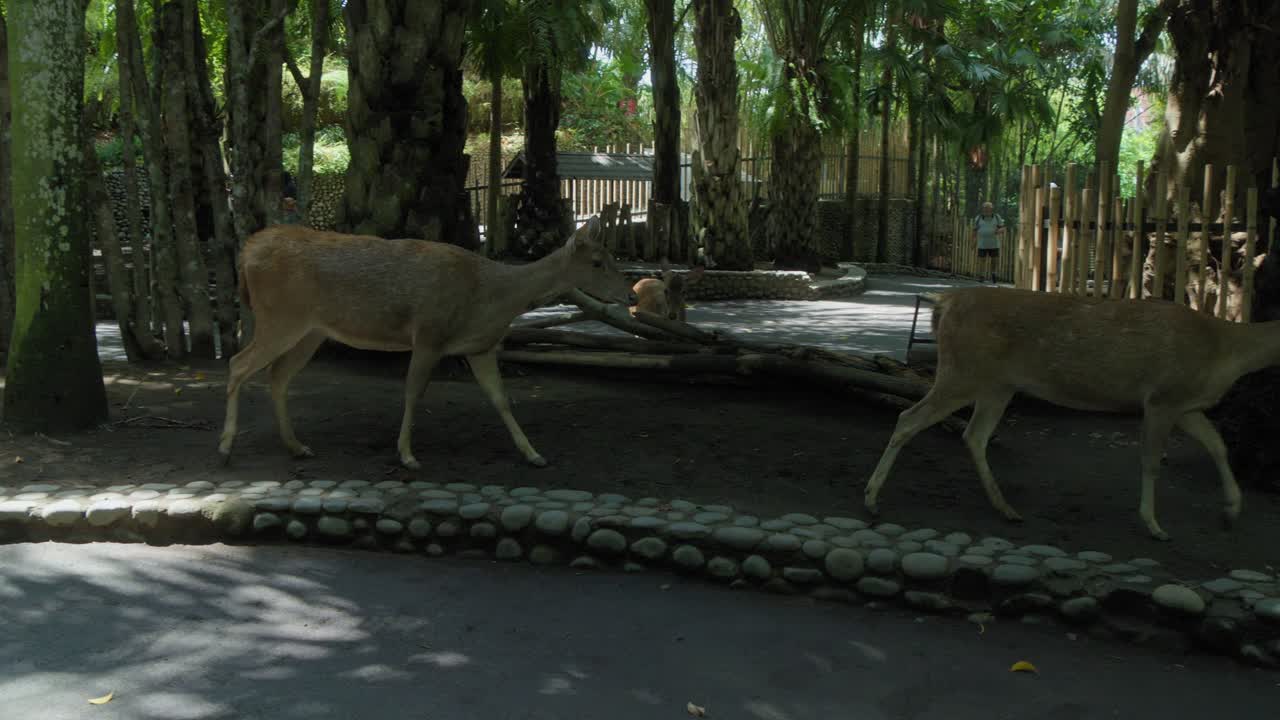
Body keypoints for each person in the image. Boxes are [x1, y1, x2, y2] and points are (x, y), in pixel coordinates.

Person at [971, 201, 1005, 284]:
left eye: (988, 208)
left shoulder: (997, 217)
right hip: (982, 243)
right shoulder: (978, 218)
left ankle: (993, 274)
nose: (986, 210)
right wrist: (973, 241)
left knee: (994, 260)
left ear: (991, 209)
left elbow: (1003, 228)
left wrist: (999, 230)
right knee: (982, 260)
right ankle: (982, 276)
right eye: (985, 208)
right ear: (983, 209)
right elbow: (974, 230)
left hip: (994, 243)